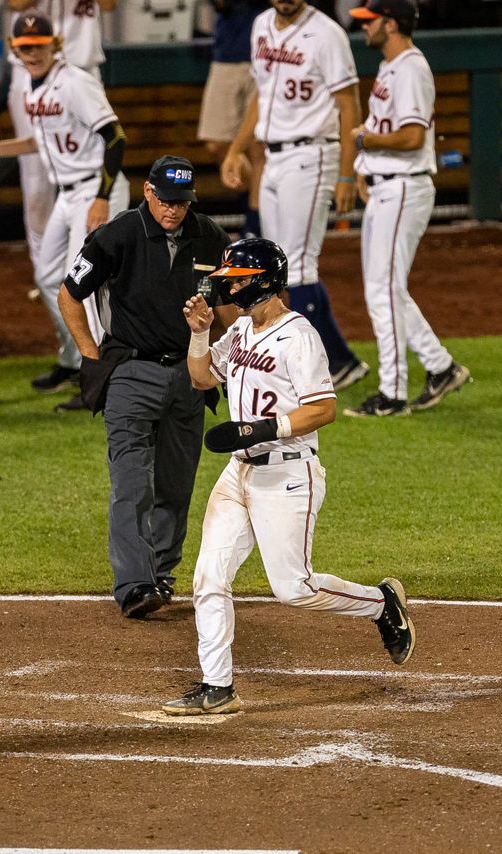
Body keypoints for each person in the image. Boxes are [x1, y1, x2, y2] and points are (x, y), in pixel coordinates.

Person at [161, 237, 414, 715]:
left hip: (288, 475)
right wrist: (198, 333)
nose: (227, 289)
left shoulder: (299, 336)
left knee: (294, 588)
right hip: (238, 474)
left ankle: (381, 604)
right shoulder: (238, 332)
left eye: (234, 281)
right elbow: (201, 377)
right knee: (209, 578)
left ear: (260, 282)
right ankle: (218, 686)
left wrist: (267, 427)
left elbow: (324, 408)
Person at [59, 155, 229, 618]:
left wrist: (228, 356)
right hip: (131, 371)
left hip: (190, 377)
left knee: (175, 483)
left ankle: (161, 576)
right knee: (132, 484)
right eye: (167, 200)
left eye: (183, 201)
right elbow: (70, 294)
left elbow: (231, 308)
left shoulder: (210, 237)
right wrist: (91, 355)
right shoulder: (117, 236)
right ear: (148, 193)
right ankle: (134, 585)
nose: (174, 209)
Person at [221, 0, 368, 391]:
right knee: (284, 263)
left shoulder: (327, 34)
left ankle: (321, 364)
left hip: (314, 153)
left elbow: (349, 104)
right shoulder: (261, 25)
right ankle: (339, 359)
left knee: (299, 266)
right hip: (274, 156)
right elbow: (261, 97)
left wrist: (346, 174)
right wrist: (237, 147)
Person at [344, 0, 469, 417]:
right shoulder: (390, 66)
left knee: (383, 290)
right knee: (385, 288)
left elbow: (413, 137)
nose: (363, 28)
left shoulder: (412, 68)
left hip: (403, 189)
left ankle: (392, 393)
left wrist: (365, 142)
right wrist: (364, 165)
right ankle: (441, 367)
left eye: (370, 21)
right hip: (387, 188)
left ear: (391, 24)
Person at [0, 12, 128, 412]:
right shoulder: (32, 88)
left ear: (54, 44)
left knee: (82, 284)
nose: (32, 53)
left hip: (95, 188)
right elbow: (40, 144)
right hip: (68, 195)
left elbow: (115, 137)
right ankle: (75, 359)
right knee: (47, 274)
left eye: (39, 45)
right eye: (25, 47)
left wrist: (103, 198)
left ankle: (101, 378)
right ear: (15, 50)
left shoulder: (74, 82)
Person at [197, 0, 264, 239]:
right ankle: (255, 200)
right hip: (227, 50)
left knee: (258, 146)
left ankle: (254, 222)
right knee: (216, 143)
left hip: (264, 53)